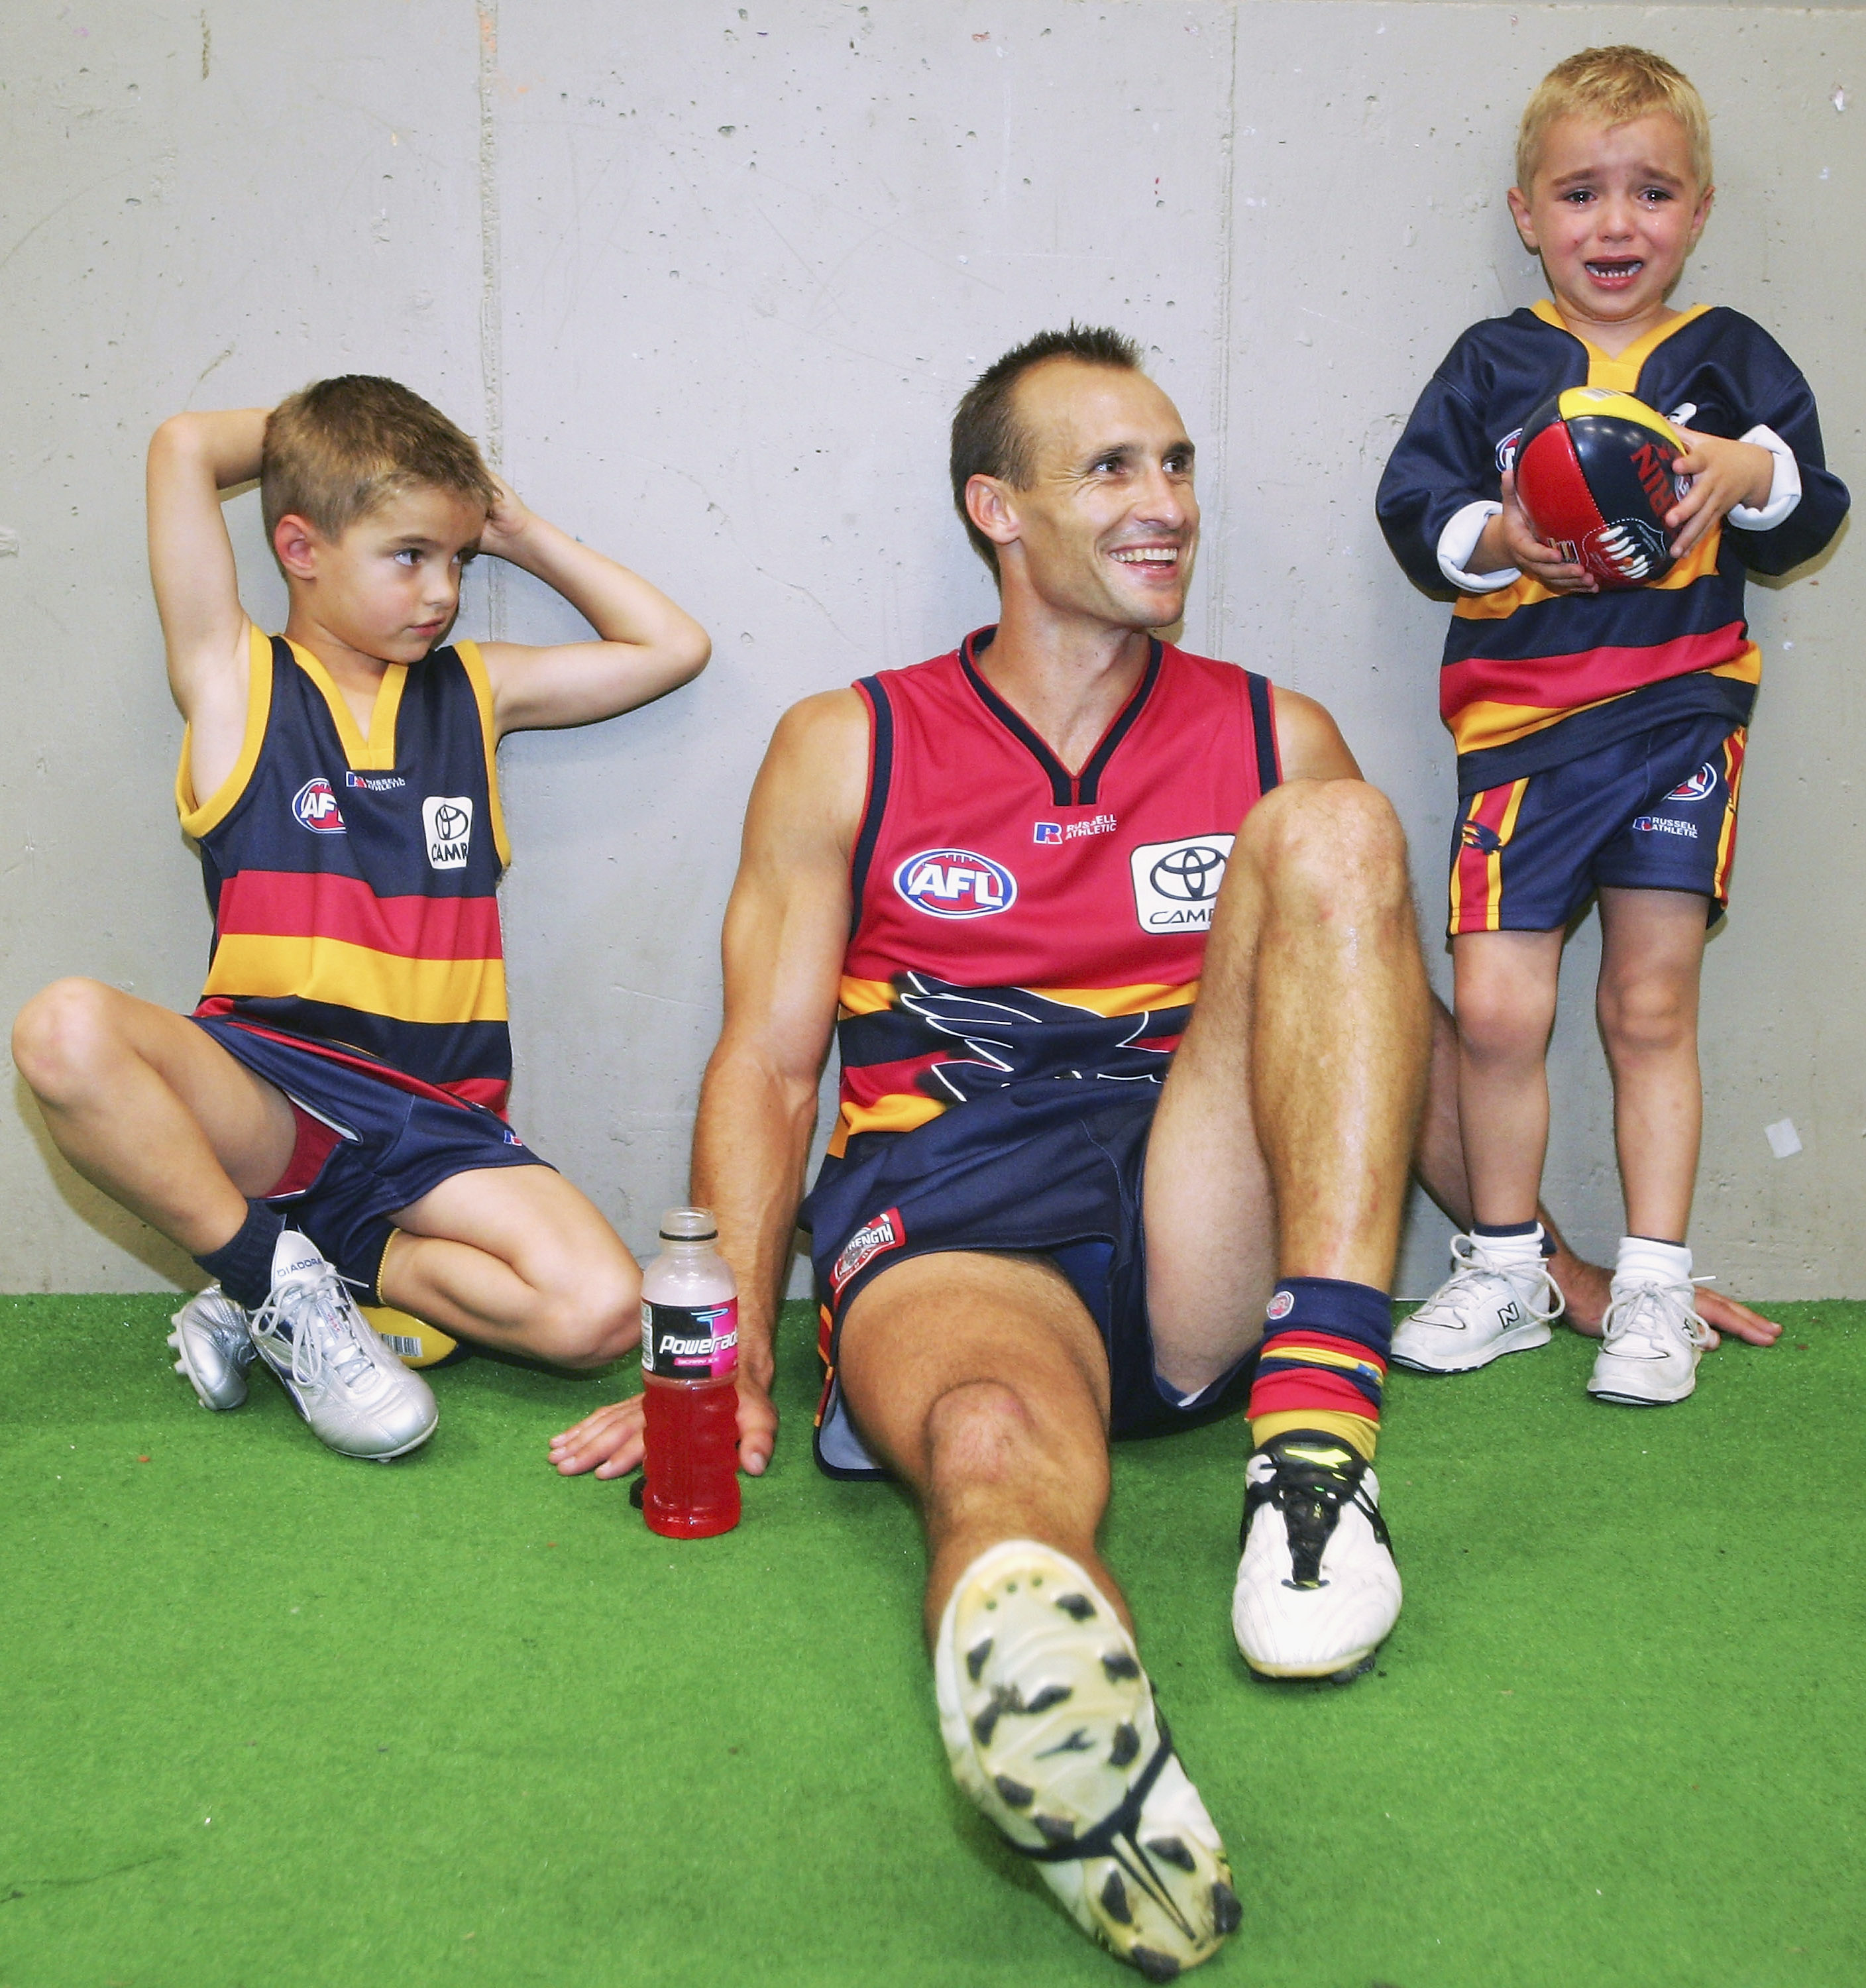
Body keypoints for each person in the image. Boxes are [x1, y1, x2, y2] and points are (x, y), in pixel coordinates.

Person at [554, 325, 1439, 1977]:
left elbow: (1382, 1018)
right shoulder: (852, 740)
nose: (1163, 501)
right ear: (997, 509)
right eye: (1111, 468)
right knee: (980, 1432)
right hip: (953, 1202)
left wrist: (1563, 1257)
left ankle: (1316, 1457)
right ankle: (1071, 1754)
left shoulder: (1272, 733)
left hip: (1198, 1201)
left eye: (1176, 464)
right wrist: (733, 1360)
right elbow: (765, 1061)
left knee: (1339, 830)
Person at [12, 376, 709, 1461]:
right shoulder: (235, 678)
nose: (443, 591)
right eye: (407, 555)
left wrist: (513, 527)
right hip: (272, 1093)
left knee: (599, 1316)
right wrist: (323, 441)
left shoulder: (474, 691)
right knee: (61, 1029)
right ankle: (268, 1276)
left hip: (438, 1121)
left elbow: (671, 647)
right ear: (298, 547)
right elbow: (183, 445)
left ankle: (311, 1276)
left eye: (458, 560)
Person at [1376, 46, 1847, 1405]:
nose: (1615, 224)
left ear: (1698, 211)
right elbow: (1415, 511)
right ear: (1526, 214)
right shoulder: (1492, 362)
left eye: (1651, 193)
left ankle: (1650, 1281)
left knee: (1649, 1004)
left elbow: (1812, 505)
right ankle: (1509, 1262)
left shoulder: (1731, 361)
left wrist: (1747, 469)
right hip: (1519, 735)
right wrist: (1502, 533)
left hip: (1679, 718)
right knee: (1501, 1011)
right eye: (1579, 194)